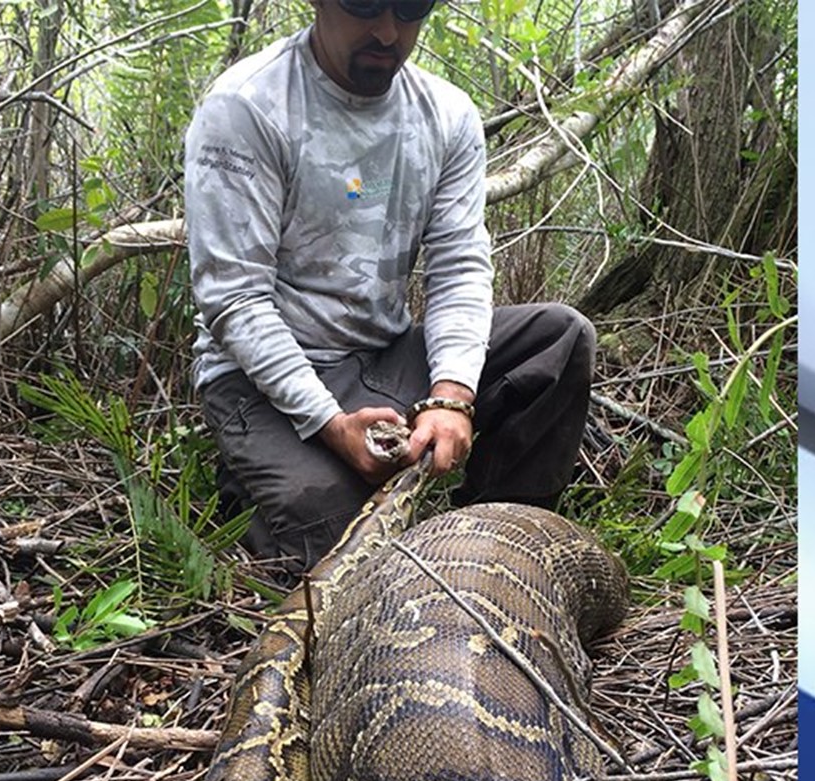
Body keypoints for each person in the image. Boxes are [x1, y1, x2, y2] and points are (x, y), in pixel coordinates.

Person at [185, 0, 597, 575]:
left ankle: (503, 543)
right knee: (345, 544)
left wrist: (451, 397)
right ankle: (264, 486)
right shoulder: (247, 108)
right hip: (259, 383)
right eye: (364, 5)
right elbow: (234, 298)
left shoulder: (446, 115)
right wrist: (330, 426)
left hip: (382, 354)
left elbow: (459, 266)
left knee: (560, 338)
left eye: (409, 8)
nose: (387, 30)